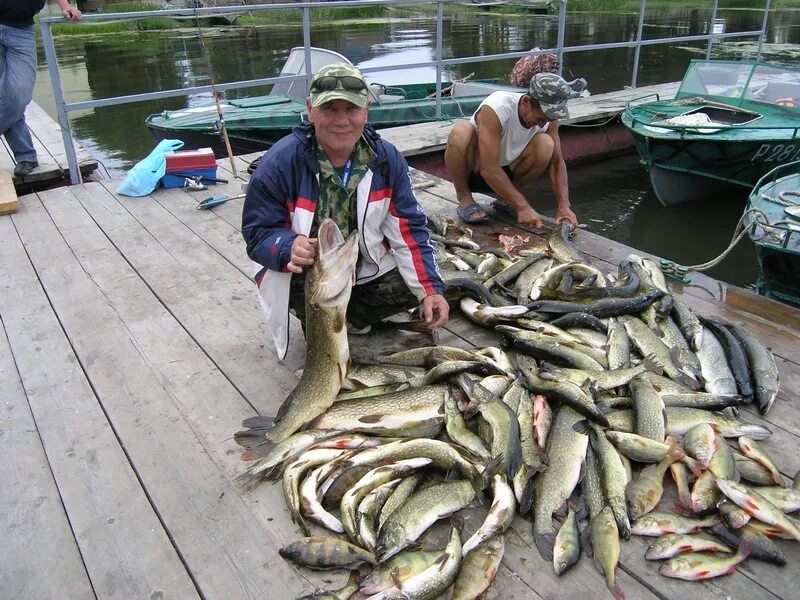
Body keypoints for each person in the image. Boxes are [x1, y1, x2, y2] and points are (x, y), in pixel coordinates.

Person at [242, 63, 449, 359]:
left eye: (351, 109)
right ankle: (325, 325)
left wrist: (430, 290)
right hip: (310, 278)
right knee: (300, 275)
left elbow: (409, 230)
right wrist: (287, 246)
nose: (341, 121)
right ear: (310, 109)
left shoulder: (386, 160)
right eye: (329, 109)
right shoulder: (279, 164)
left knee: (427, 279)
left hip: (363, 268)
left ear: (366, 110)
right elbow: (257, 234)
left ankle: (352, 317)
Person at [444, 72, 578, 229]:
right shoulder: (497, 107)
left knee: (546, 144)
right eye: (540, 119)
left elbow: (556, 163)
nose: (542, 125)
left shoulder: (549, 119)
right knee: (461, 131)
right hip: (477, 170)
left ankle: (505, 200)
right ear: (526, 102)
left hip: (509, 173)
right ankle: (465, 198)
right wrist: (523, 206)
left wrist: (564, 206)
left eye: (547, 120)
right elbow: (489, 169)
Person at [1, 1, 81, 178]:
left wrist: (65, 6)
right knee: (5, 96)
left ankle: (26, 156)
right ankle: (26, 156)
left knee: (18, 94)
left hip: (21, 31)